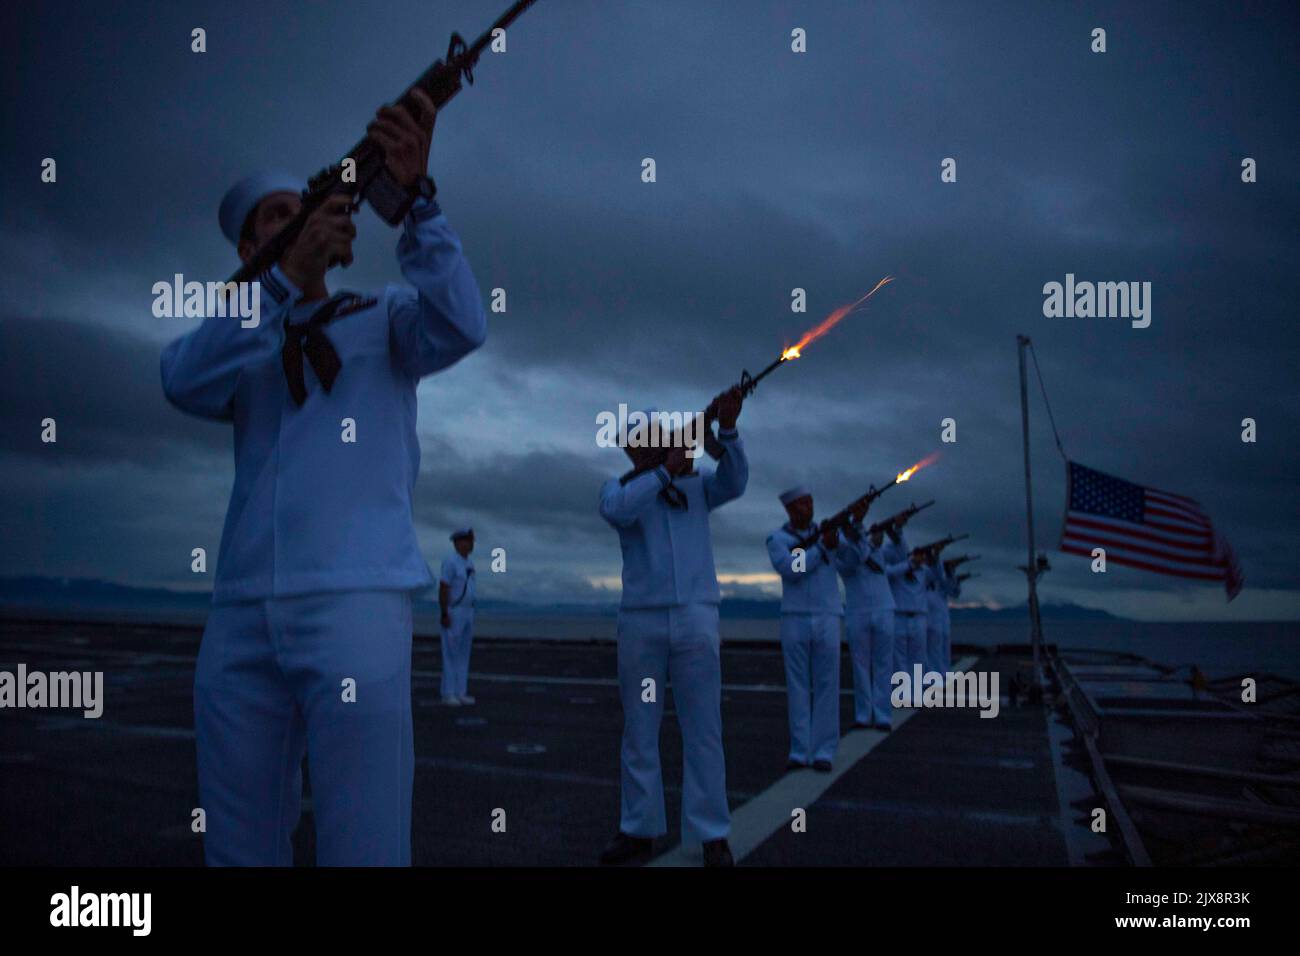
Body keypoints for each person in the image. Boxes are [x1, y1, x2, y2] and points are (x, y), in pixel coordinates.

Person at [161, 88, 486, 865]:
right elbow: (180, 380)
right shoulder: (237, 336)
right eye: (274, 219)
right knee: (239, 845)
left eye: (298, 208)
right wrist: (275, 289)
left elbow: (463, 322)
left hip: (355, 599)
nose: (294, 221)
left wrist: (413, 203)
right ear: (249, 252)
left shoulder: (384, 315)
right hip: (241, 609)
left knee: (364, 840)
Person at [597, 389, 748, 867]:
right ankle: (637, 829)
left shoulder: (699, 485)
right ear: (630, 450)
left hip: (696, 616)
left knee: (703, 728)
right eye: (638, 442)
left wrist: (726, 431)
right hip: (642, 619)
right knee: (640, 729)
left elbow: (737, 481)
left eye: (655, 438)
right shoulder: (619, 489)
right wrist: (664, 469)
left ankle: (712, 834)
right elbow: (620, 510)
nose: (645, 446)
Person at [766, 488, 850, 772]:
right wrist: (822, 548)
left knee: (828, 685)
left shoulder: (829, 535)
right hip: (795, 617)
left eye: (811, 502)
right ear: (790, 508)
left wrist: (854, 530)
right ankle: (800, 749)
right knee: (798, 686)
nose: (809, 507)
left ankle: (824, 750)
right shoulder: (777, 539)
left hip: (828, 615)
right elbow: (792, 568)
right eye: (802, 503)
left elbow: (854, 563)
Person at [838, 516, 909, 730]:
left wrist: (896, 532)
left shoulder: (879, 550)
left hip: (883, 608)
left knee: (883, 664)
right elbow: (852, 560)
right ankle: (863, 714)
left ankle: (882, 714)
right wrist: (866, 542)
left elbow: (902, 554)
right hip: (857, 610)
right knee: (860, 666)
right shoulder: (845, 552)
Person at [882, 517, 927, 683]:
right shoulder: (898, 569)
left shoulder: (924, 571)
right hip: (899, 617)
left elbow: (939, 576)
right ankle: (902, 694)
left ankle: (916, 694)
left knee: (918, 659)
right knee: (899, 661)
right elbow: (888, 572)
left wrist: (934, 557)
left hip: (918, 617)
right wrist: (909, 563)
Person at [440, 528, 477, 706]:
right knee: (451, 653)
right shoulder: (451, 562)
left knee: (463, 653)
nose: (470, 544)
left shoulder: (469, 563)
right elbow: (444, 587)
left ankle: (460, 692)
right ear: (457, 543)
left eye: (471, 541)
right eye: (467, 541)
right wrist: (444, 612)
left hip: (468, 611)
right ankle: (448, 693)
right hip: (454, 610)